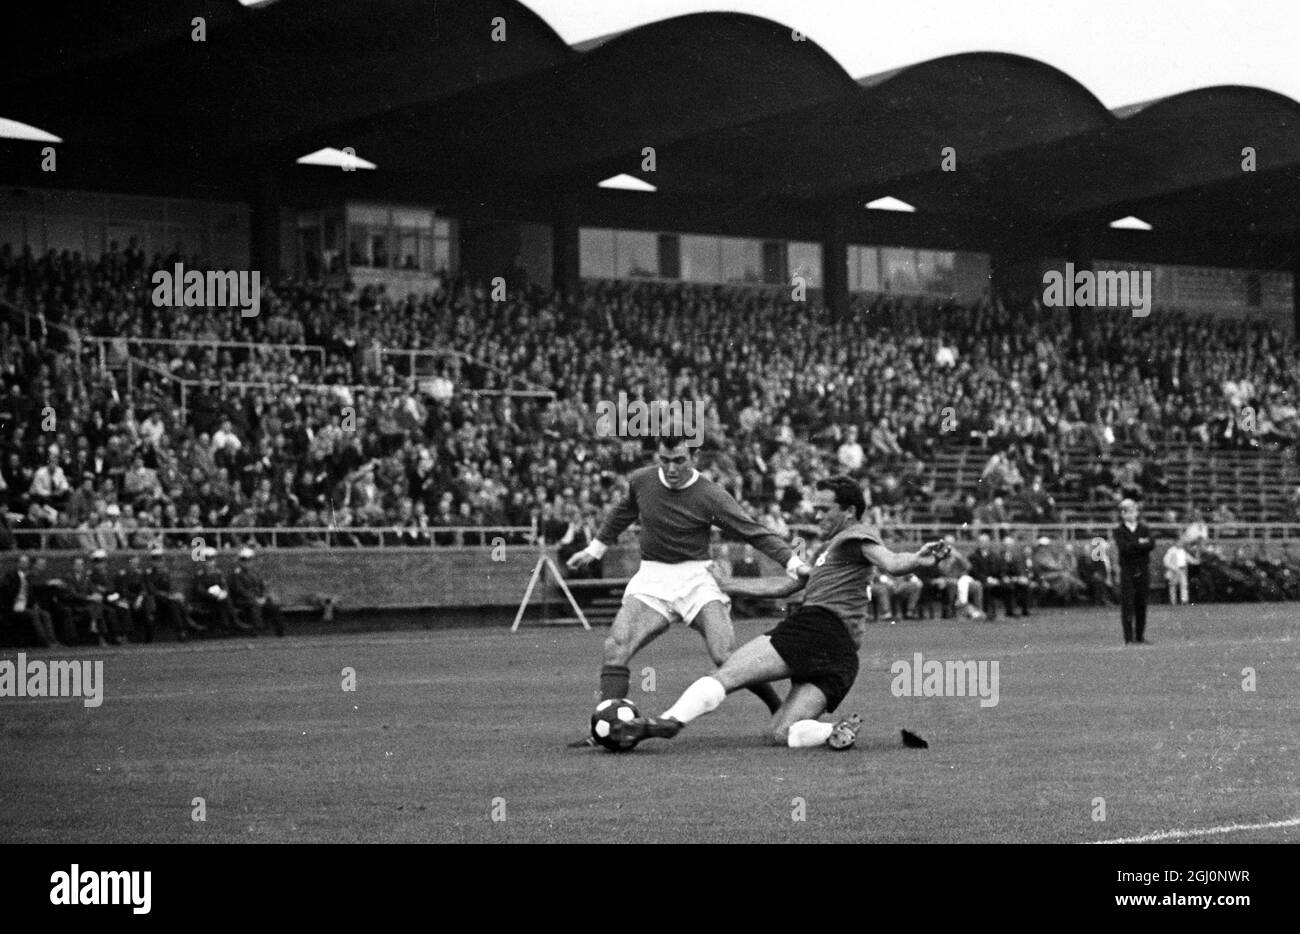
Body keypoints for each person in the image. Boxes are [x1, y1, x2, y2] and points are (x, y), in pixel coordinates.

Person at [614, 476, 948, 750]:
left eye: (823, 510)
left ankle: (670, 722)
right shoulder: (828, 555)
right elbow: (785, 586)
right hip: (842, 656)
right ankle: (831, 730)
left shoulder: (855, 536)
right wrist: (728, 585)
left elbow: (890, 561)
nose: (816, 517)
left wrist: (916, 560)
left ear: (848, 511)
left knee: (728, 673)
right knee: (781, 733)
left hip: (817, 629)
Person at [565, 435, 810, 747]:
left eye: (679, 460)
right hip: (654, 576)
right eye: (664, 460)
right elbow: (624, 510)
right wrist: (595, 549)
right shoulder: (642, 480)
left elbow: (753, 532)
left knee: (725, 655)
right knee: (616, 646)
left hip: (698, 578)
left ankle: (779, 709)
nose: (670, 468)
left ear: (695, 457)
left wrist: (793, 562)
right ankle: (603, 731)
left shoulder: (711, 495)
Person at [1113, 499, 1157, 645]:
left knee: (1141, 602)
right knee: (1127, 604)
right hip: (1127, 569)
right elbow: (1124, 548)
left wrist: (1134, 545)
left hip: (1142, 568)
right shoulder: (1119, 531)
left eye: (1132, 510)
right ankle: (1128, 637)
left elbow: (1151, 544)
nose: (1130, 514)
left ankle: (1139, 636)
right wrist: (1140, 544)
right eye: (1126, 511)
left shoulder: (1144, 528)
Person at [145, 545, 206, 639]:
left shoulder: (165, 572)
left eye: (161, 560)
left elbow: (171, 588)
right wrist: (169, 596)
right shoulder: (149, 573)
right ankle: (188, 624)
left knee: (175, 602)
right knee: (174, 602)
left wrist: (176, 595)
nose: (160, 563)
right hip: (155, 601)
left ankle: (183, 630)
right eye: (157, 560)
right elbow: (152, 591)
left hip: (168, 600)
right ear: (153, 562)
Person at [1, 555, 58, 647]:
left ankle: (53, 641)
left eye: (26, 563)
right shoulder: (11, 576)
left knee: (45, 614)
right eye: (22, 562)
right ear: (18, 563)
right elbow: (7, 591)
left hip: (27, 605)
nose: (24, 565)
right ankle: (44, 641)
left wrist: (34, 603)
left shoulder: (29, 576)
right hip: (14, 605)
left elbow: (32, 592)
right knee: (33, 614)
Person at [230, 547, 285, 637]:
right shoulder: (236, 574)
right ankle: (258, 630)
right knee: (254, 605)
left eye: (249, 560)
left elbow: (262, 586)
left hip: (257, 598)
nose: (247, 563)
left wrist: (263, 597)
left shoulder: (254, 573)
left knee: (273, 605)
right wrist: (254, 598)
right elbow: (239, 590)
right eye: (244, 560)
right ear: (240, 562)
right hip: (243, 600)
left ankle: (280, 630)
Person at [1162, 541, 1194, 606]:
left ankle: (1184, 600)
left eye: (1181, 543)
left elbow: (1188, 558)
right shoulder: (1171, 551)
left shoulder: (1183, 551)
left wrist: (1195, 561)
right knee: (1173, 585)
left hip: (1183, 569)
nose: (1181, 544)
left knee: (1184, 585)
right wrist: (1173, 568)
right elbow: (1166, 561)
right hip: (1174, 570)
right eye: (1179, 542)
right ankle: (1173, 601)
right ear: (1175, 543)